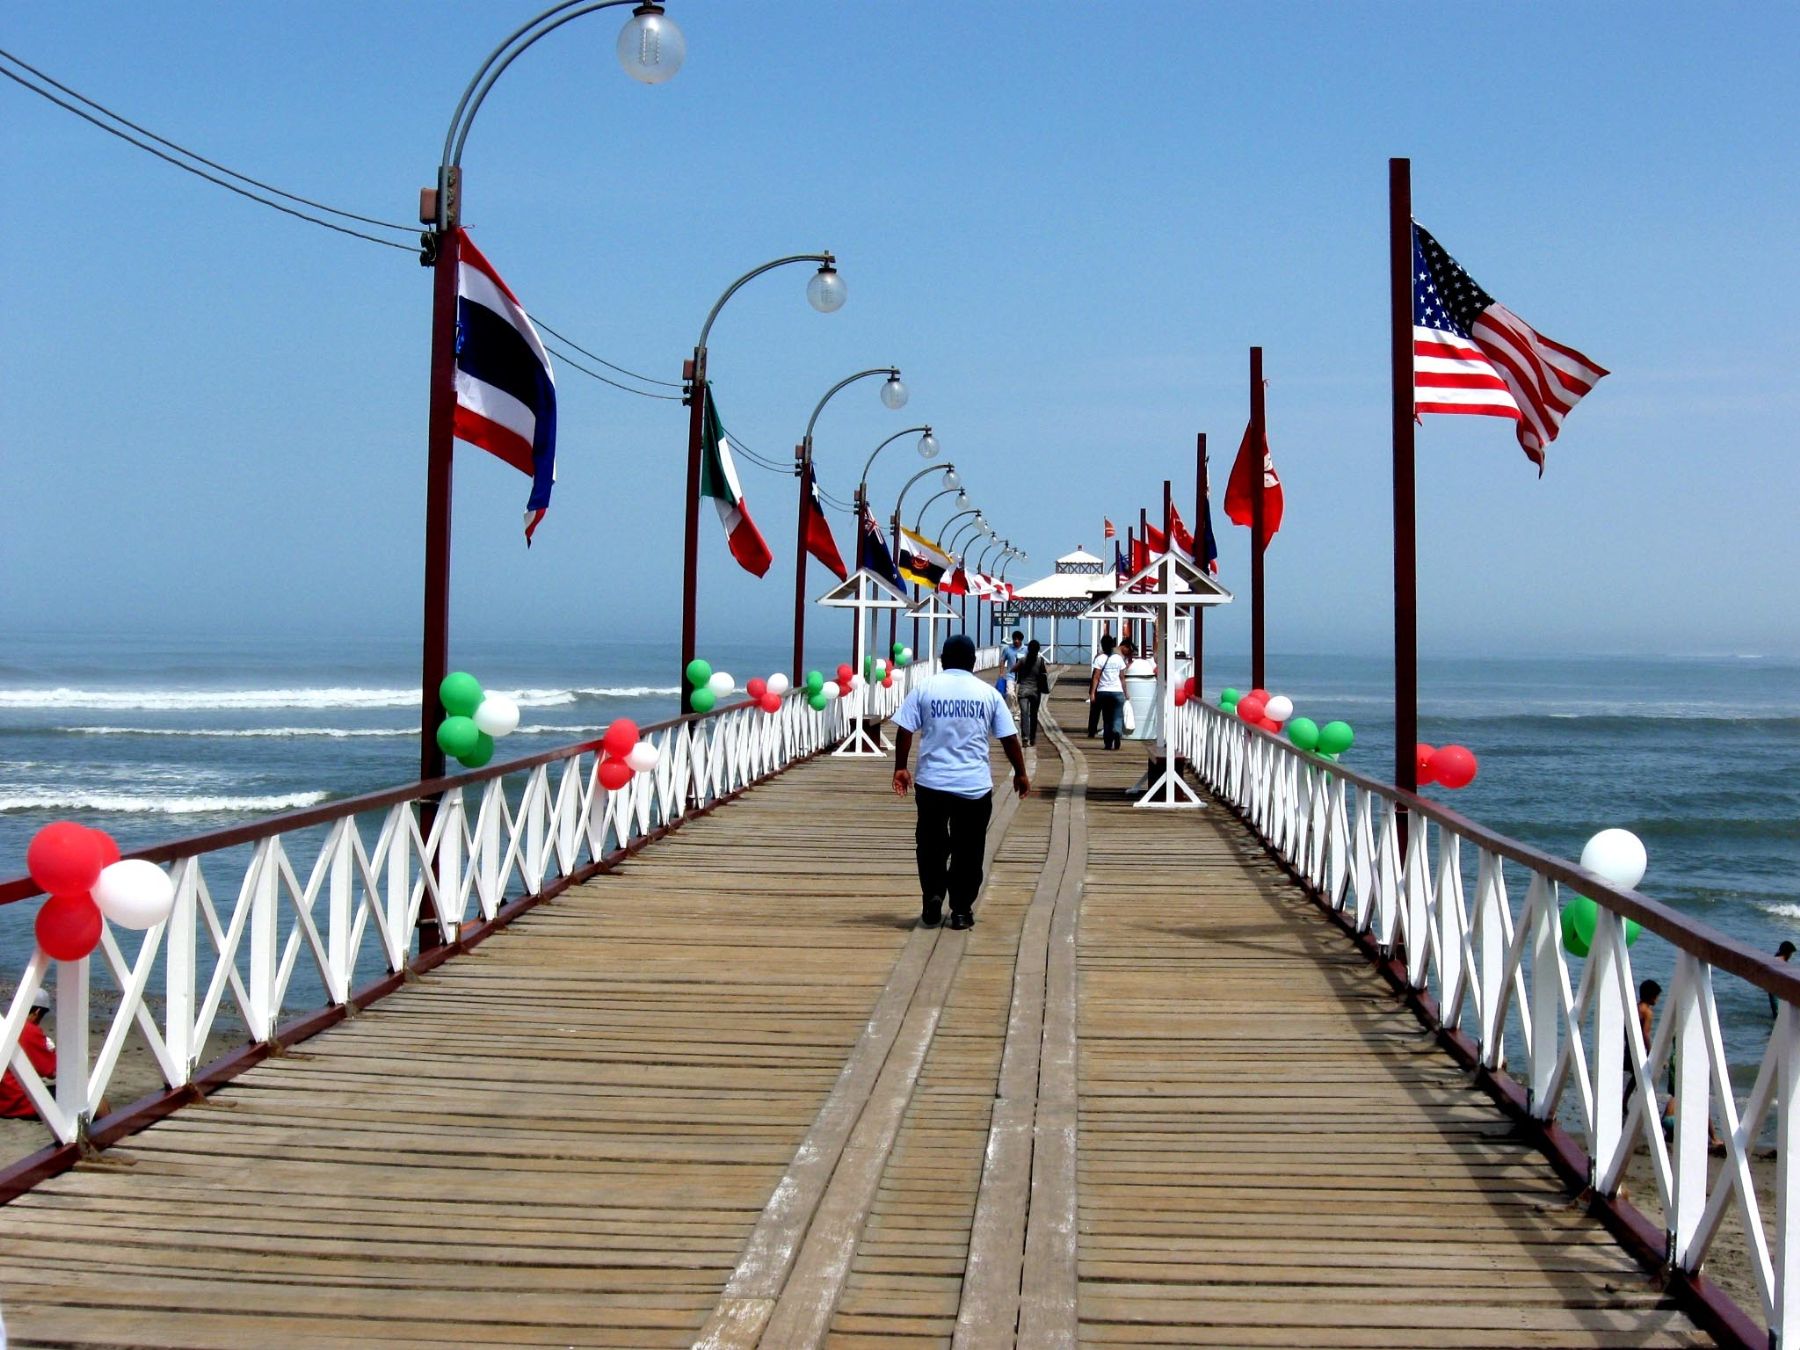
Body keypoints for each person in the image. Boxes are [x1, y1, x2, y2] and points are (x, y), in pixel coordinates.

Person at [892, 634, 1030, 931]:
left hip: (932, 783)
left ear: (943, 660)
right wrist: (1020, 772)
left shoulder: (926, 688)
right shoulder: (987, 693)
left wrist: (900, 768)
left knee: (930, 844)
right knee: (969, 847)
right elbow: (1009, 737)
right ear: (973, 661)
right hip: (973, 785)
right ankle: (961, 909)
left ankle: (932, 896)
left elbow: (904, 730)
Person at [0, 989, 56, 1120]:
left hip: (2, 1100)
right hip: (19, 1104)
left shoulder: (4, 1025)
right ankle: (109, 1134)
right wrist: (51, 1050)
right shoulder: (28, 1030)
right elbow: (52, 1070)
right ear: (37, 1011)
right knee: (84, 1095)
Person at [1089, 634, 1127, 751]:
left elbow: (1096, 677)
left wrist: (1092, 693)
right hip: (1117, 691)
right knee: (1117, 715)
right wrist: (1126, 692)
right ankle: (1117, 731)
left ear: (1102, 646)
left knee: (1106, 717)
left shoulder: (1099, 659)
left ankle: (1108, 743)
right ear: (1113, 645)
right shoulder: (1118, 659)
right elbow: (1122, 677)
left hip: (1103, 691)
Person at [1013, 639, 1050, 747]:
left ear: (1028, 649)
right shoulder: (1040, 661)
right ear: (1038, 650)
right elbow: (1044, 674)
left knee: (1024, 714)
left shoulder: (1022, 660)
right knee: (1034, 715)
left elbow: (1013, 670)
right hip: (1035, 691)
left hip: (1023, 690)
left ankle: (1025, 738)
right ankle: (1032, 738)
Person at [1771, 940, 1796, 1018]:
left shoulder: (1775, 960)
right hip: (1778, 993)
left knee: (1778, 1015)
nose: (1791, 956)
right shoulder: (1781, 963)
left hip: (1774, 991)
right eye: (1791, 953)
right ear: (1787, 952)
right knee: (1780, 1016)